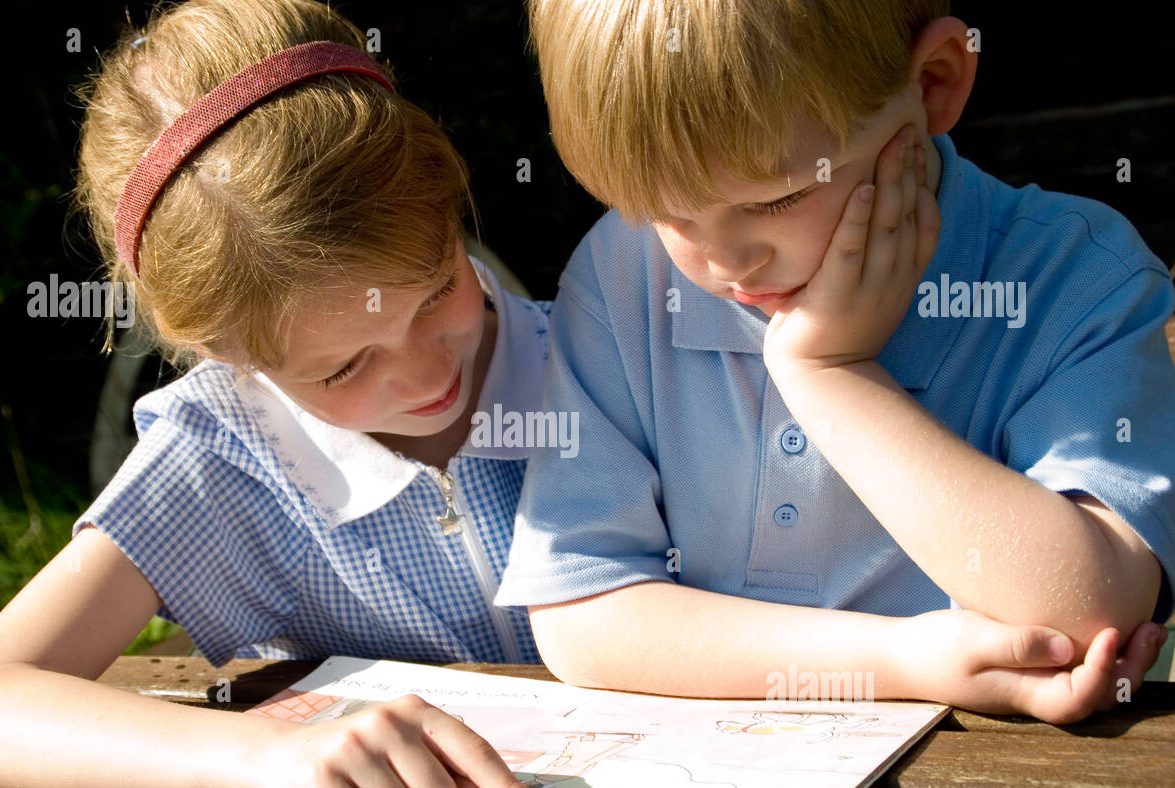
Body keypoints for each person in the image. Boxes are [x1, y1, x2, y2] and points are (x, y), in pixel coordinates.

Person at [0, 0, 552, 788]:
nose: (430, 371)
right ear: (225, 354)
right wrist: (264, 758)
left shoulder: (604, 354)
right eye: (344, 366)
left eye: (438, 289)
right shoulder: (228, 454)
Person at [496, 0, 1175, 724]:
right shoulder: (619, 275)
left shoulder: (1075, 278)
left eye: (780, 196)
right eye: (671, 214)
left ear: (935, 84)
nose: (727, 261)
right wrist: (909, 661)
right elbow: (580, 612)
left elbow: (1087, 616)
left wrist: (832, 377)